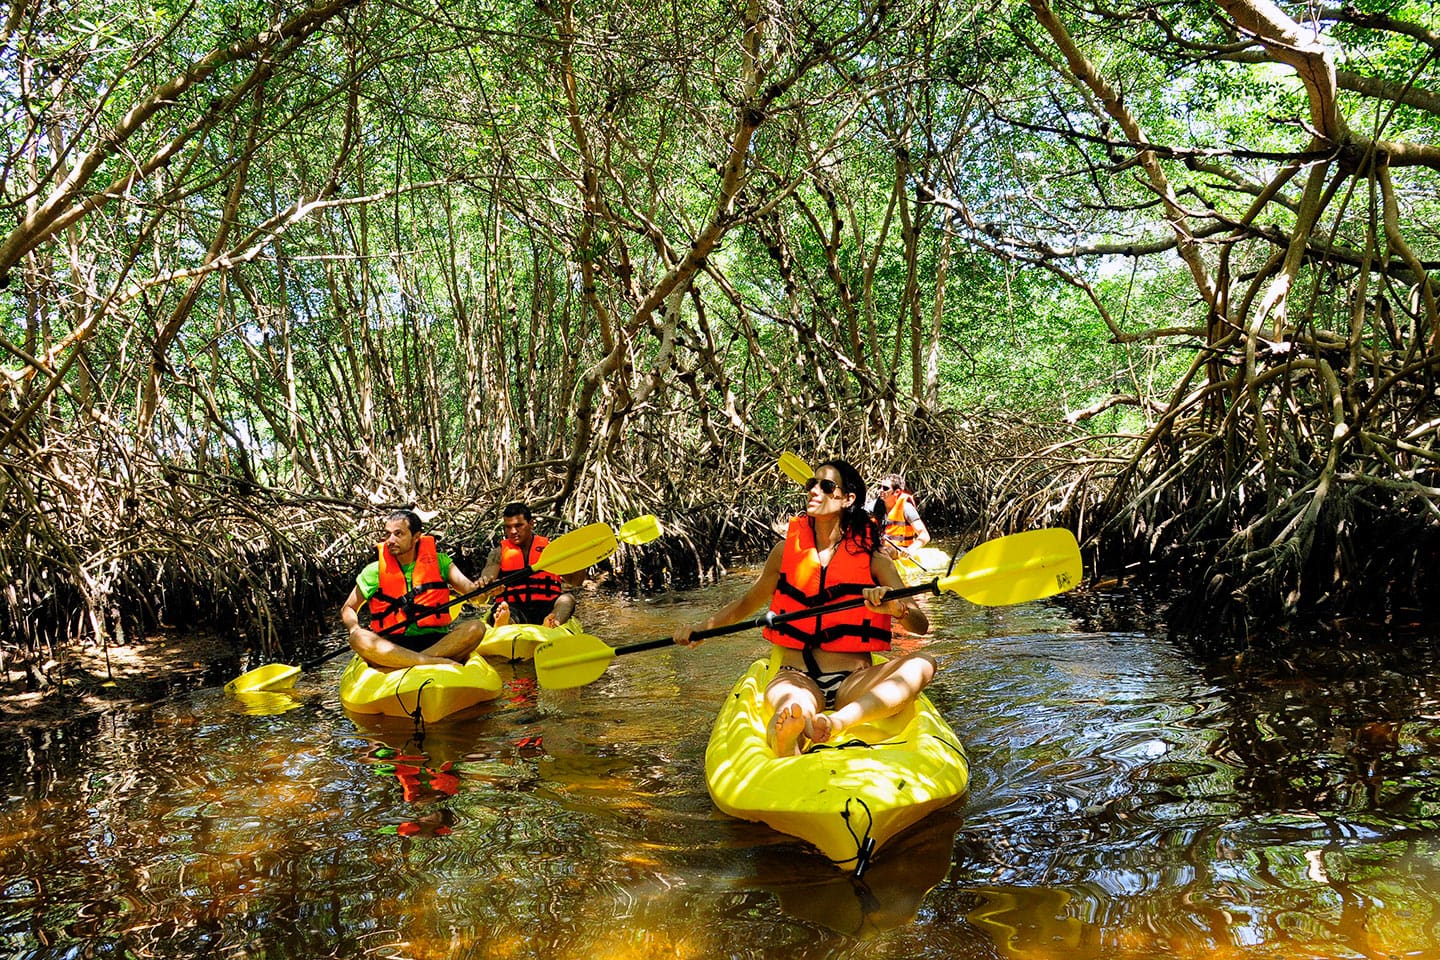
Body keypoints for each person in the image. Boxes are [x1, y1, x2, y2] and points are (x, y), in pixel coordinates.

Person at [674, 459, 933, 757]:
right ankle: (788, 737)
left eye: (826, 486)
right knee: (791, 704)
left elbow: (921, 625)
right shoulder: (785, 551)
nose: (814, 490)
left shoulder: (874, 557)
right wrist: (702, 630)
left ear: (848, 499)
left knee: (923, 663)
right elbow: (746, 603)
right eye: (812, 484)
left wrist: (898, 610)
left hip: (853, 681)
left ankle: (836, 722)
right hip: (797, 675)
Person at [340, 510, 488, 669]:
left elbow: (473, 595)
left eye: (398, 534)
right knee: (357, 638)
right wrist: (354, 628)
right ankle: (430, 662)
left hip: (436, 642)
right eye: (388, 534)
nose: (391, 540)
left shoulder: (441, 563)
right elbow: (348, 608)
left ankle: (410, 662)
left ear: (416, 537)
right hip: (391, 645)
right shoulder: (373, 571)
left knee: (477, 627)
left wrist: (484, 592)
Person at [478, 502, 583, 628]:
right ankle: (506, 622)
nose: (513, 531)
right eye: (508, 527)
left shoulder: (550, 550)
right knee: (506, 610)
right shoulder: (498, 553)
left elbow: (575, 581)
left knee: (567, 599)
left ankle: (553, 622)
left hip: (546, 607)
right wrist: (487, 584)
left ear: (531, 524)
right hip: (514, 607)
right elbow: (488, 575)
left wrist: (582, 560)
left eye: (518, 525)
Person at [877, 473, 932, 561]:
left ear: (897, 492)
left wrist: (910, 550)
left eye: (885, 488)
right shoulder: (875, 506)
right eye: (879, 487)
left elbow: (925, 535)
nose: (880, 490)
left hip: (900, 551)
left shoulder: (907, 508)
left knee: (887, 550)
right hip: (882, 549)